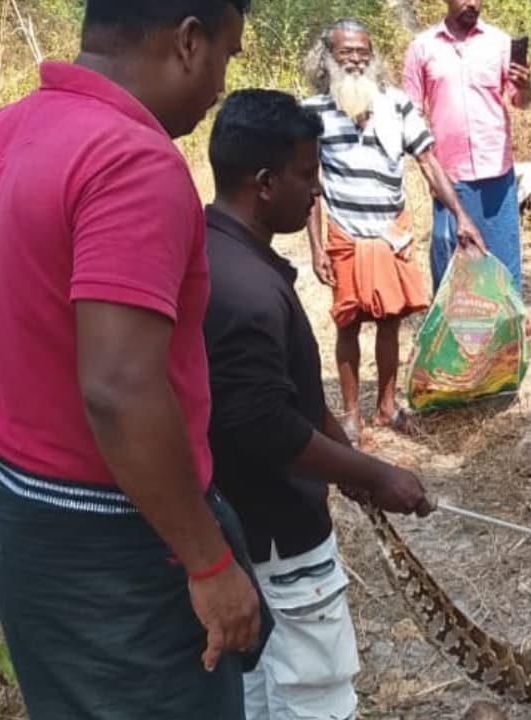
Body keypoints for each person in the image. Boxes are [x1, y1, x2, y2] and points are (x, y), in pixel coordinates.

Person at [0, 2, 261, 718]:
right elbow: (119, 388)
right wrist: (209, 561)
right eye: (227, 55)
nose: (222, 85)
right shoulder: (132, 161)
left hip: (8, 500)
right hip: (114, 537)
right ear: (189, 41)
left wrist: (13, 428)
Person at [201, 88, 434, 720]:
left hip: (244, 529)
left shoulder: (216, 250)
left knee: (258, 696)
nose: (317, 190)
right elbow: (267, 426)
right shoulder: (245, 290)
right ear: (265, 183)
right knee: (314, 698)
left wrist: (345, 458)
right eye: (308, 175)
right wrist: (376, 474)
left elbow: (292, 398)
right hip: (281, 539)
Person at [302, 19, 486, 437]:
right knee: (347, 323)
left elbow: (429, 162)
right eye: (345, 52)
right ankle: (351, 414)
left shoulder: (397, 105)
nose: (354, 60)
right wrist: (316, 247)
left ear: (373, 57)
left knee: (390, 321)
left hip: (391, 232)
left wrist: (461, 215)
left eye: (362, 52)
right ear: (328, 57)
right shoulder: (312, 113)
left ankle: (386, 407)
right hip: (345, 233)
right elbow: (310, 183)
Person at [403, 0, 531, 294]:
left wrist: (525, 87)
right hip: (449, 177)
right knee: (454, 272)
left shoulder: (499, 43)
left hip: (496, 174)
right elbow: (410, 114)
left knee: (502, 267)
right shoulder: (422, 47)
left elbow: (521, 101)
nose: (472, 3)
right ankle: (454, 325)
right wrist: (428, 169)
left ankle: (505, 324)